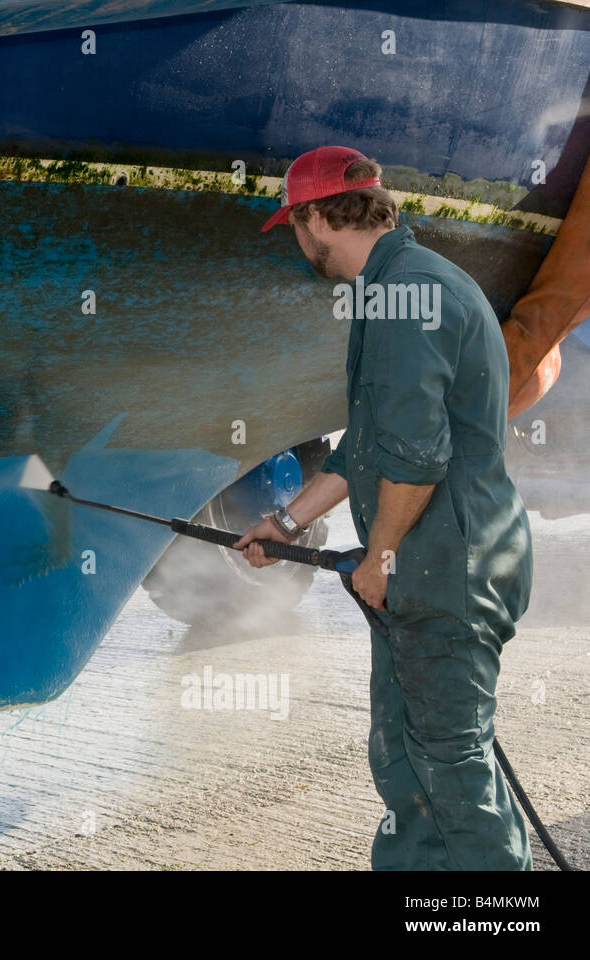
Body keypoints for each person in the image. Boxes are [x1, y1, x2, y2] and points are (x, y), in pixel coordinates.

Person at [234, 146, 534, 870]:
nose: (300, 245)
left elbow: (417, 458)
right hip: (429, 570)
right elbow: (363, 449)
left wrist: (380, 557)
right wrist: (286, 525)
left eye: (296, 227)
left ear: (313, 216)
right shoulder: (398, 286)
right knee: (409, 760)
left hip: (443, 573)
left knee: (449, 770)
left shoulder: (408, 294)